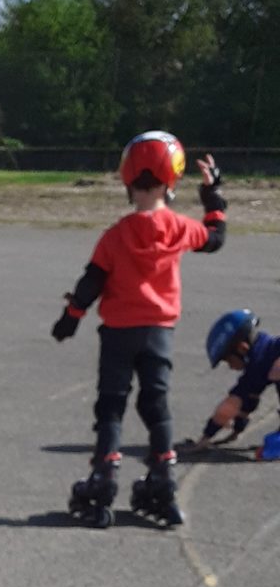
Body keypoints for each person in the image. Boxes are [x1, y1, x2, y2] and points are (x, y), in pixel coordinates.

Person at [51, 131, 227, 529]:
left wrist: (70, 319)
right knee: (155, 404)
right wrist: (212, 194)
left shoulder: (116, 235)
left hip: (118, 332)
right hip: (159, 331)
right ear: (172, 179)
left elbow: (91, 282)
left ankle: (104, 475)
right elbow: (215, 237)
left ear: (127, 179)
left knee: (111, 404)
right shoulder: (179, 227)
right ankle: (163, 477)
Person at [190, 308, 280, 451]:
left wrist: (205, 437)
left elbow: (229, 407)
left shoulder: (258, 364)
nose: (230, 367)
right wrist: (237, 430)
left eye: (228, 360)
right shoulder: (266, 352)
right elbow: (248, 400)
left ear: (242, 348)